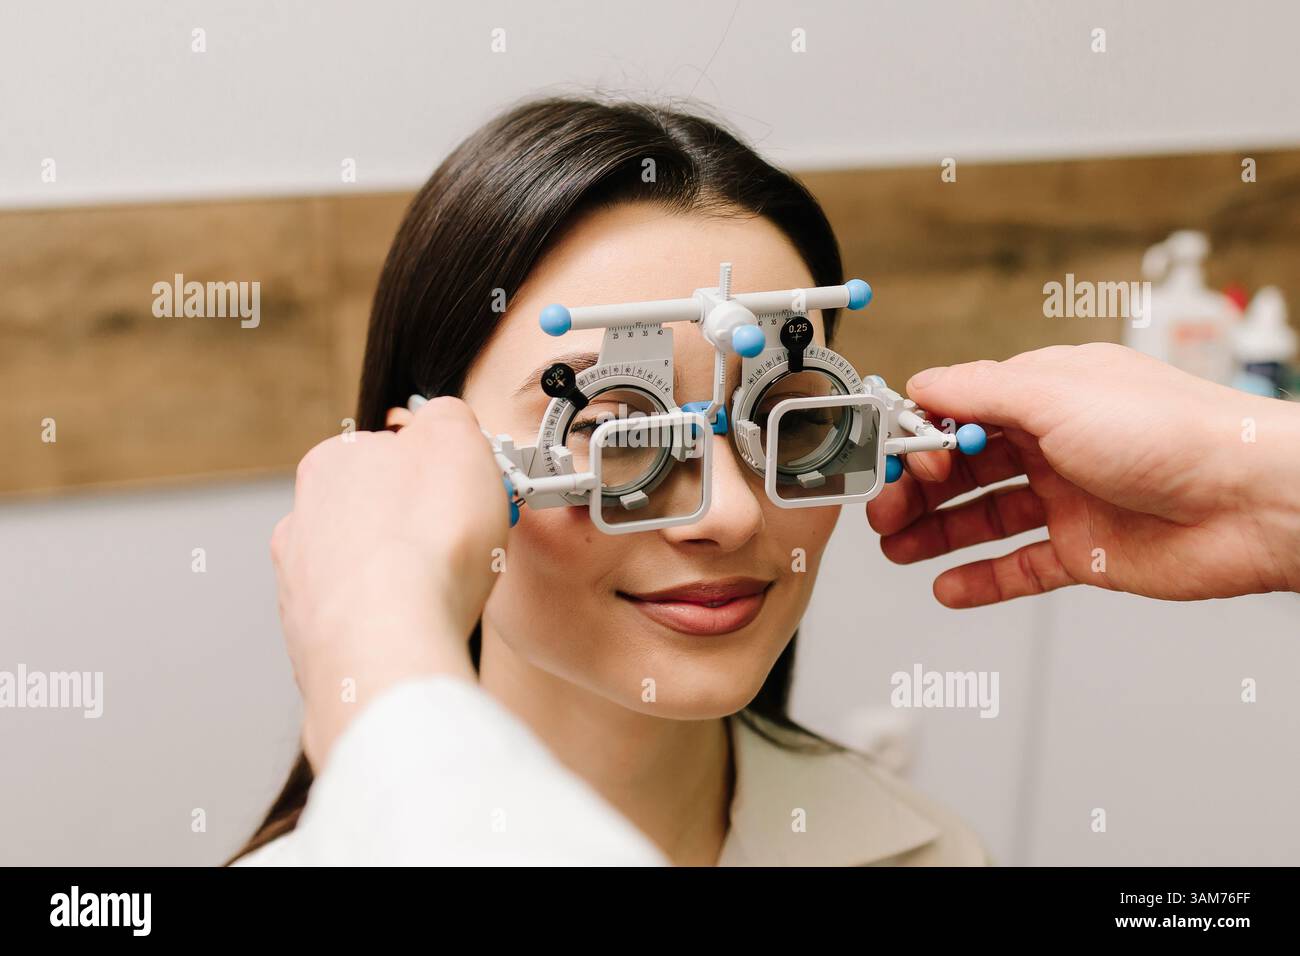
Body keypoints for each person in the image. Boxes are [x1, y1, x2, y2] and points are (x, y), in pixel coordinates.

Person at [232, 100, 1300, 868]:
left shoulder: (927, 854)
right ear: (418, 455)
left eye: (790, 422)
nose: (734, 514)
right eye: (618, 435)